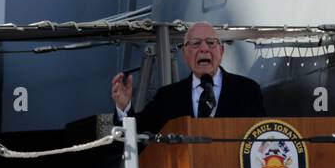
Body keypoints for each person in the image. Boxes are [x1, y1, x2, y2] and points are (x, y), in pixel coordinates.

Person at [110, 21, 265, 134]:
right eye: (196, 43)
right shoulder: (167, 97)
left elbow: (261, 137)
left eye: (211, 43)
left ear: (221, 51)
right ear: (185, 53)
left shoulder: (247, 90)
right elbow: (137, 134)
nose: (204, 49)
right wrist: (124, 107)